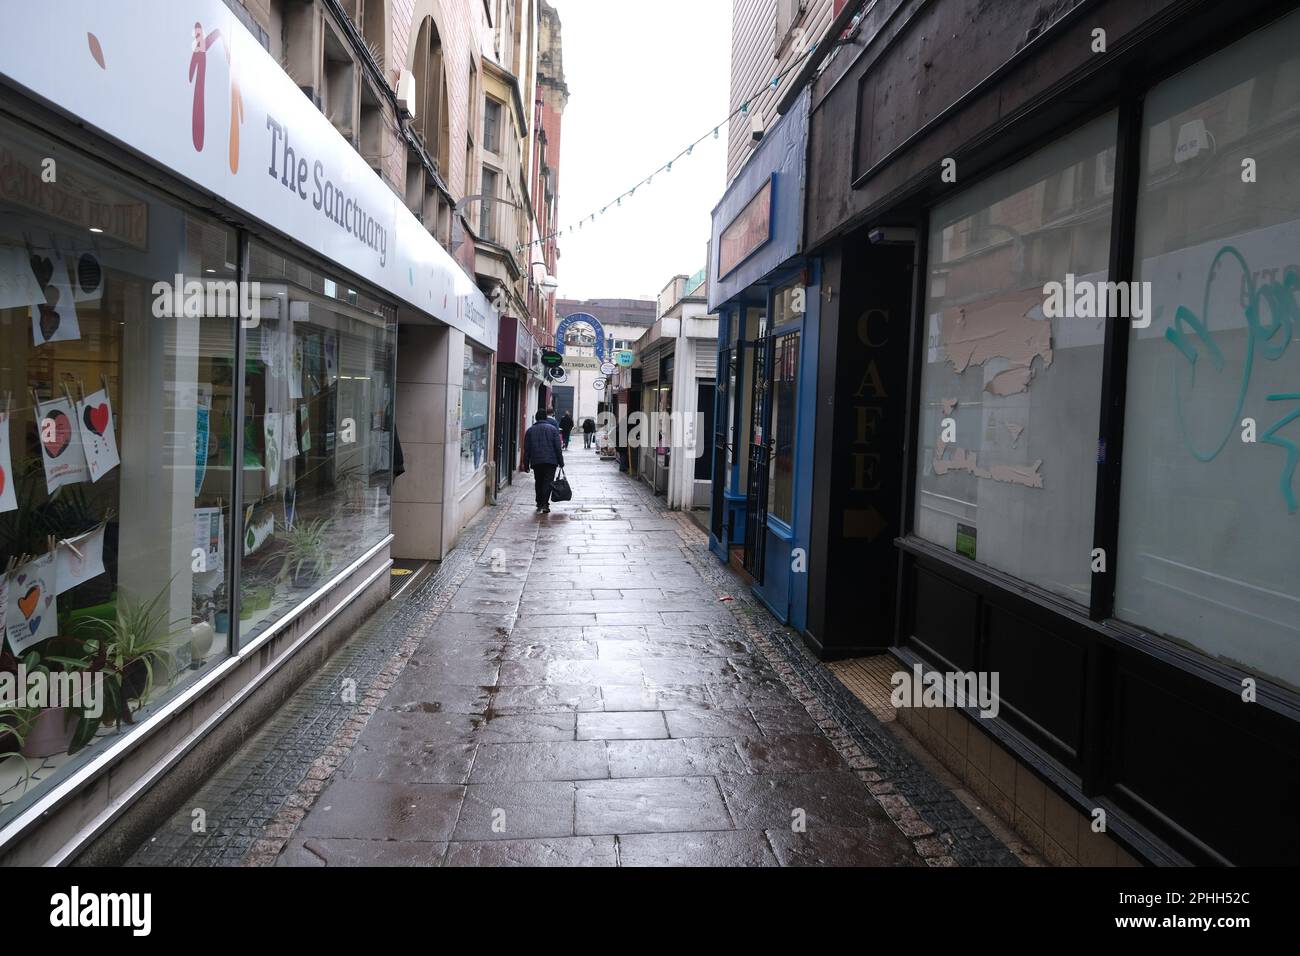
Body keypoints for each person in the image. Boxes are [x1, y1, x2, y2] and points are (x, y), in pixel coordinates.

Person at [521, 409, 564, 514]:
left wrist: (526, 463)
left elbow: (526, 449)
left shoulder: (530, 431)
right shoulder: (553, 429)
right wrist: (561, 461)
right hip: (551, 461)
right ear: (545, 418)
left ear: (536, 418)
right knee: (548, 482)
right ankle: (545, 503)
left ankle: (539, 503)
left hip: (536, 461)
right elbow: (558, 447)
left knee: (538, 481)